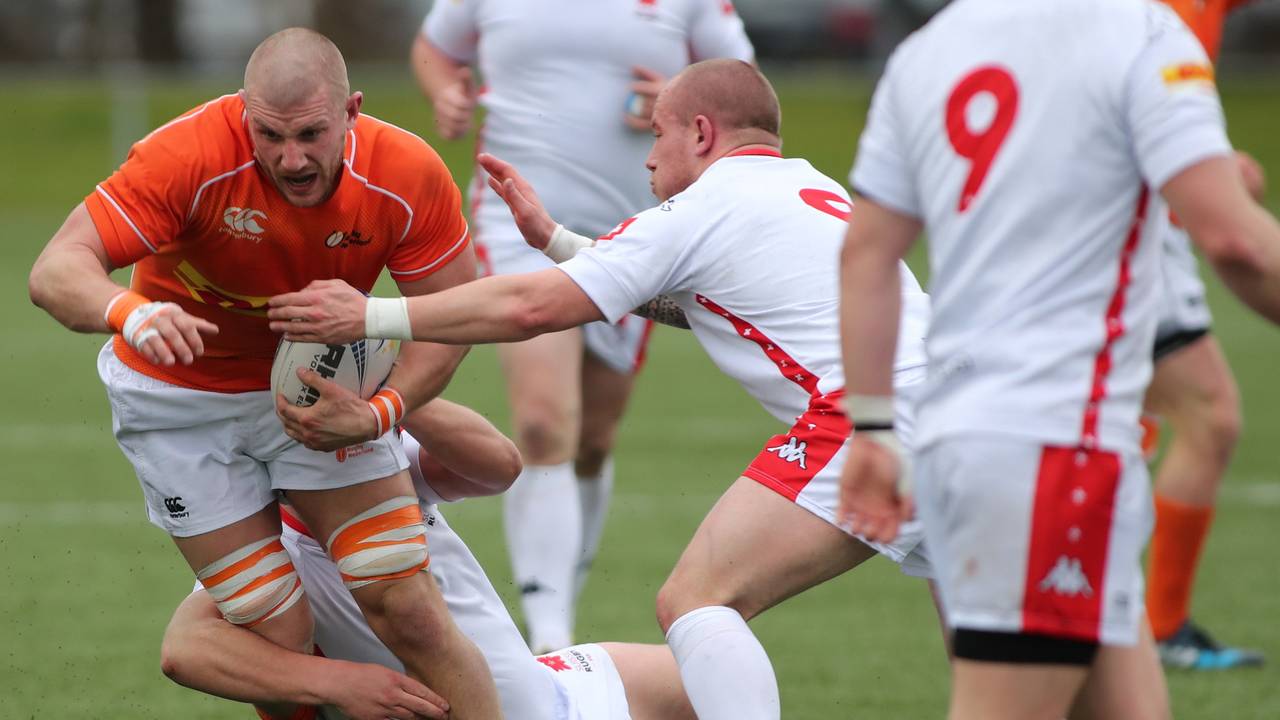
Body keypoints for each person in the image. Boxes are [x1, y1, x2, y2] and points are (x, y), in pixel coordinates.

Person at [267, 59, 936, 720]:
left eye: (657, 133)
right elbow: (694, 300)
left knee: (698, 600)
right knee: (995, 653)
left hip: (870, 415)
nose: (647, 159)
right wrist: (557, 242)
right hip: (965, 415)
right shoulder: (809, 189)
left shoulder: (703, 207)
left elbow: (529, 310)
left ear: (700, 134)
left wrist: (371, 316)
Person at [27, 28, 501, 719]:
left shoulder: (404, 173)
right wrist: (129, 312)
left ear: (352, 112)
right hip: (177, 406)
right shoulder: (187, 156)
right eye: (269, 135)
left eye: (310, 133)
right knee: (271, 629)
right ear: (242, 114)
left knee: (408, 607)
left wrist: (380, 413)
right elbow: (56, 269)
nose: (290, 157)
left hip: (319, 394)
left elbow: (448, 319)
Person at [836, 1, 1280, 718]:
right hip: (1052, 448)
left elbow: (866, 253)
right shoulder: (1143, 33)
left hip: (974, 437)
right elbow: (1236, 240)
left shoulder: (927, 50)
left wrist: (873, 427)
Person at [410, 0, 755, 652]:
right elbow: (434, 49)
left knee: (592, 440)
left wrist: (681, 100)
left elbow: (741, 80)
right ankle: (550, 639)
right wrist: (445, 91)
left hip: (637, 230)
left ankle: (561, 597)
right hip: (516, 214)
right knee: (544, 422)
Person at [162, 397, 695, 720]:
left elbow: (499, 466)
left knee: (710, 668)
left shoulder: (373, 473)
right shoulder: (267, 547)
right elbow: (184, 647)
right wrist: (341, 684)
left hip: (551, 691)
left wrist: (391, 392)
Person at [1143, 0, 1265, 670]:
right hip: (1133, 230)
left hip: (1131, 220)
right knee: (1208, 413)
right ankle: (1154, 626)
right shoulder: (1158, 16)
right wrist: (1206, 172)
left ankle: (1131, 620)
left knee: (1132, 420)